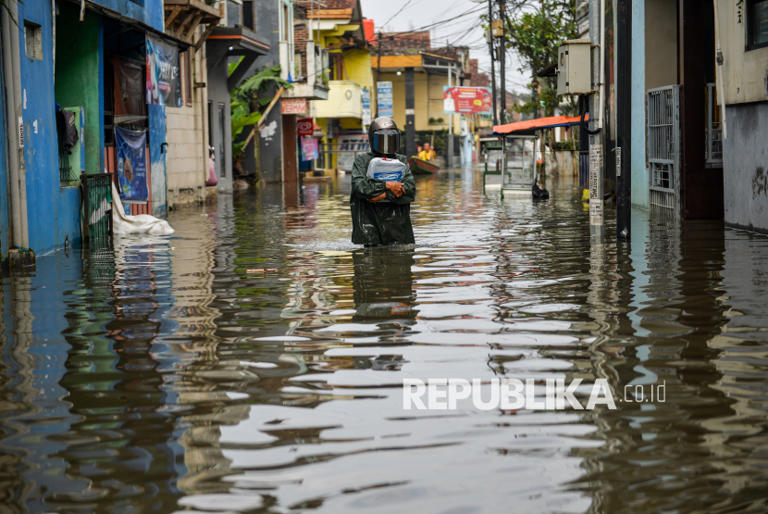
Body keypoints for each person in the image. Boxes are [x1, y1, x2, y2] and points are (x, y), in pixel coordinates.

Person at [350, 117, 416, 246]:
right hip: (369, 225)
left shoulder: (401, 160)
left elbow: (410, 189)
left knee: (400, 261)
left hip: (398, 225)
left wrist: (384, 195)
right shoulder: (362, 160)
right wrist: (387, 185)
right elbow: (359, 187)